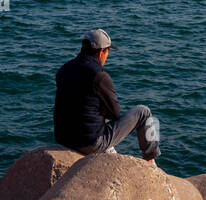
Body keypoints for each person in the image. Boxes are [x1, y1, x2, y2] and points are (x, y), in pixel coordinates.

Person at [54, 28, 161, 165]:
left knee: (92, 109)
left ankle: (109, 150)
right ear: (101, 52)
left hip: (65, 138)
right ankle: (150, 160)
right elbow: (115, 113)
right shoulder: (99, 75)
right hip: (89, 143)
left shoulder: (64, 69)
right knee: (143, 112)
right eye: (108, 51)